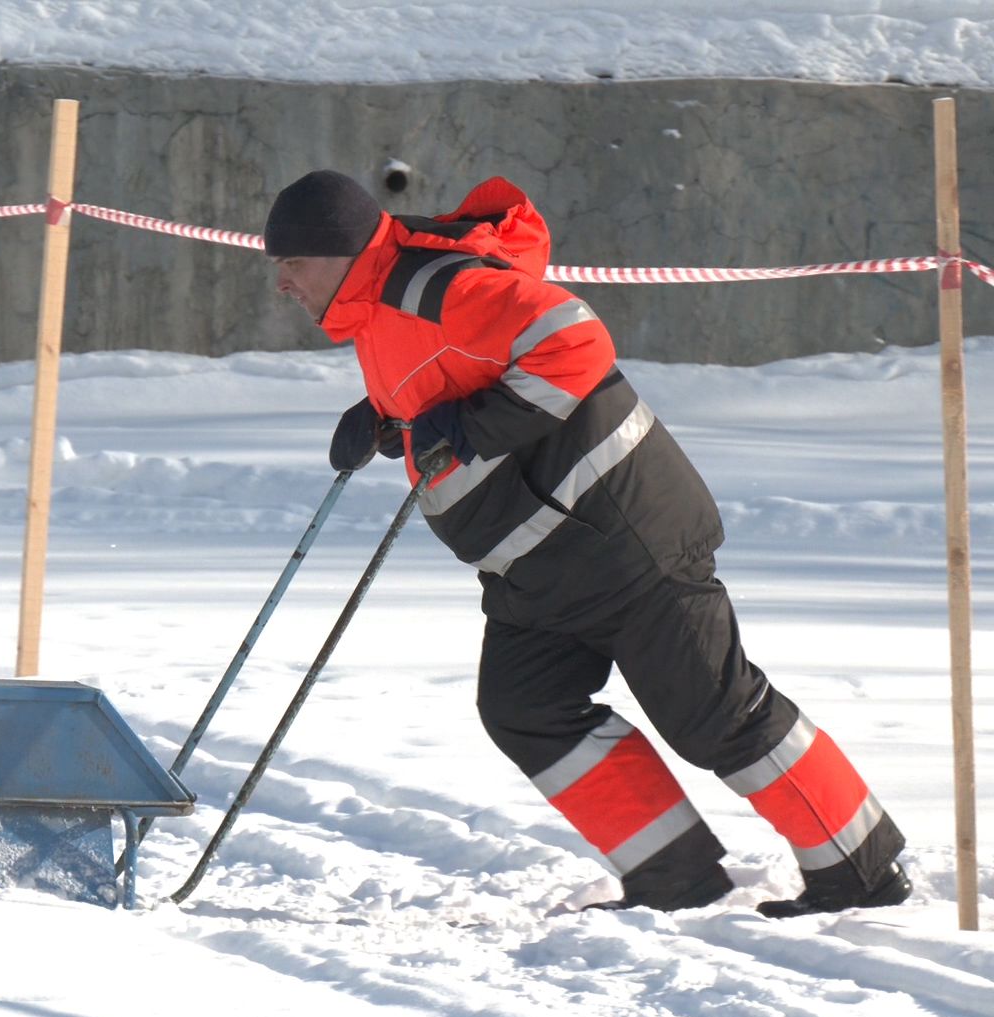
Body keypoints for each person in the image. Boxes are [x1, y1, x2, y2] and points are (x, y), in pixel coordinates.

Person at [262, 168, 910, 916]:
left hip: (622, 535)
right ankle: (674, 874)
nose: (282, 282)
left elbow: (572, 341)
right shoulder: (380, 307)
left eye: (292, 263)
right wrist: (390, 420)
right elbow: (457, 375)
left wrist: (466, 430)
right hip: (540, 566)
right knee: (525, 707)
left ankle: (861, 869)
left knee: (714, 715)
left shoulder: (432, 287)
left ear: (342, 253)